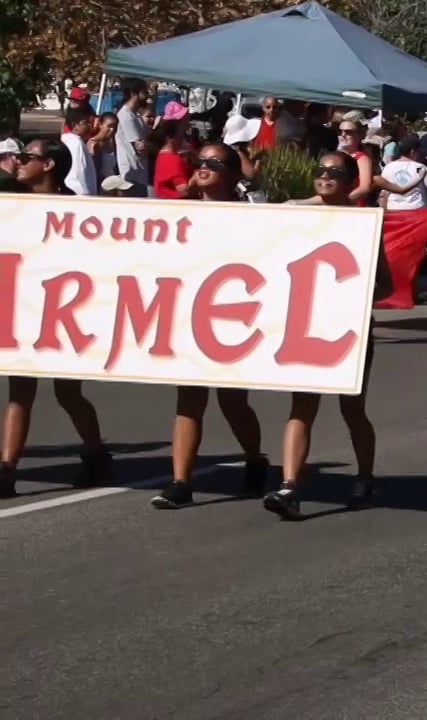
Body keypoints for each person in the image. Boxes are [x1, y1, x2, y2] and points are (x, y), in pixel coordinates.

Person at [150, 143, 267, 509]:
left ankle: (255, 459)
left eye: (213, 162)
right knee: (188, 400)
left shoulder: (251, 216)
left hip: (230, 318)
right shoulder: (179, 214)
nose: (202, 166)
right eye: (198, 161)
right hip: (188, 316)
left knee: (232, 402)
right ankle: (180, 482)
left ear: (232, 174)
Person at [262, 152, 378, 519]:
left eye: (336, 172)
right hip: (306, 325)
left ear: (348, 181)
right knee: (302, 405)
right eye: (321, 170)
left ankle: (364, 476)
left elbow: (385, 282)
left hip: (349, 326)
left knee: (351, 407)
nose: (326, 176)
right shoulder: (294, 213)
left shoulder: (364, 222)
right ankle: (290, 485)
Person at [1, 140, 112, 498]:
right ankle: (7, 469)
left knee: (68, 392)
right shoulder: (12, 205)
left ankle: (95, 452)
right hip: (24, 307)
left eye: (28, 157)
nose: (18, 162)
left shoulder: (74, 210)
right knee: (19, 393)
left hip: (66, 312)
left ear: (48, 165)